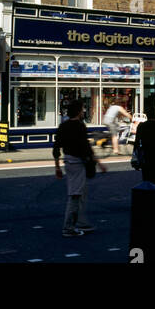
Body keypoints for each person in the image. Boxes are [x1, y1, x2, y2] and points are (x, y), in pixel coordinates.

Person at [53, 100, 106, 237]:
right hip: (77, 163)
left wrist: (57, 167)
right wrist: (98, 163)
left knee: (81, 193)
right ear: (78, 112)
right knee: (75, 195)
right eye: (82, 110)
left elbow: (56, 148)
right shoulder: (80, 126)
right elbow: (86, 148)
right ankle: (68, 227)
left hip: (68, 161)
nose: (83, 112)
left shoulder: (63, 126)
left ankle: (81, 222)